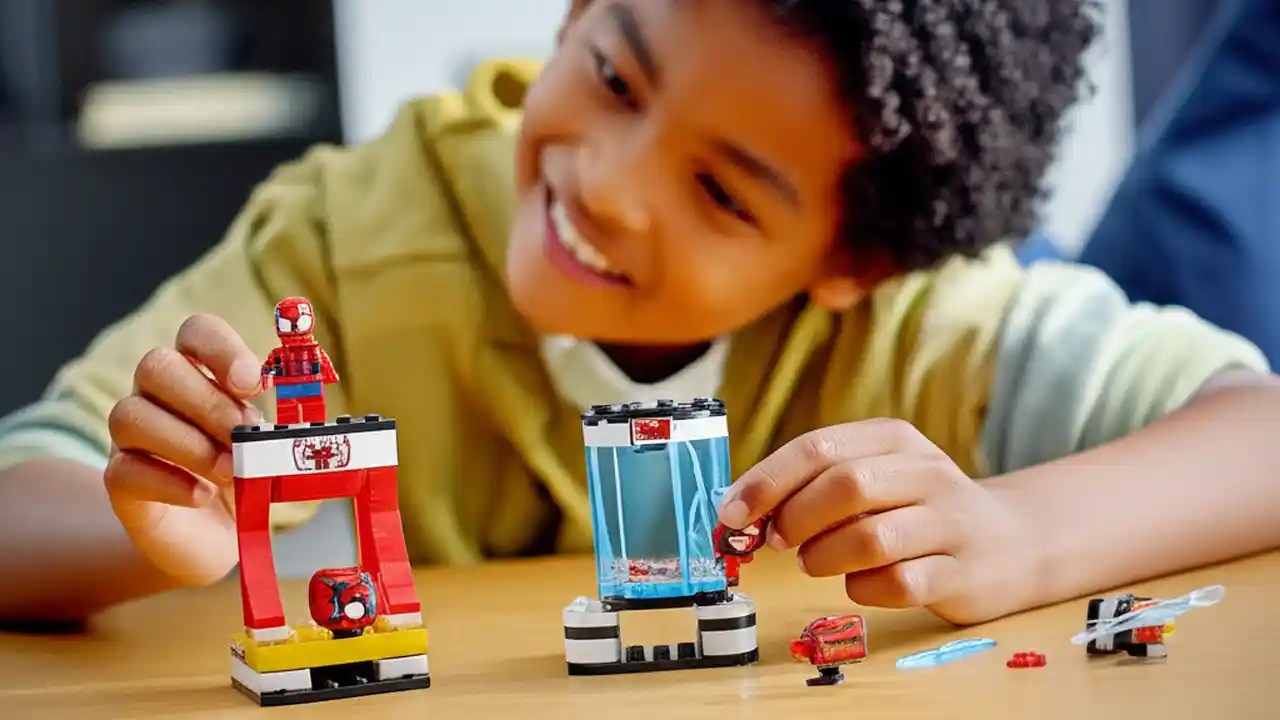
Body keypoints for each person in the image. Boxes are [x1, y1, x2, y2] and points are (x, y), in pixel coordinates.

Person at [1, 0, 1277, 626]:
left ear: (853, 260)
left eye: (720, 193)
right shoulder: (350, 237)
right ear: (572, 15)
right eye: (613, 74)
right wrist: (157, 530)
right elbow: (20, 500)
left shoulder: (926, 327)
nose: (605, 187)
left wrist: (1018, 533)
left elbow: (1257, 433)